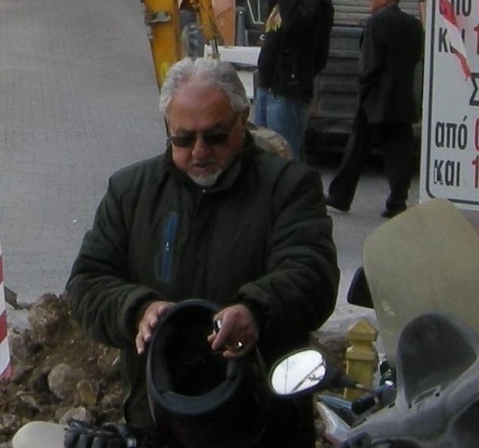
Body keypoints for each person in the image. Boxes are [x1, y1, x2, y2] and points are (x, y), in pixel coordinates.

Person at [67, 57, 339, 447]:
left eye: (215, 137)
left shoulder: (289, 187)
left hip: (262, 425)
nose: (199, 151)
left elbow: (312, 274)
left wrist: (253, 312)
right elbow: (87, 283)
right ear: (167, 129)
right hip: (159, 422)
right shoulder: (131, 192)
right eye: (183, 138)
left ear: (241, 121)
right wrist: (137, 311)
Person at [325, 0, 424, 218]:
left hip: (375, 99)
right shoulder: (413, 25)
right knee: (399, 153)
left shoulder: (376, 23)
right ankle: (397, 202)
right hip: (402, 99)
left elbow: (370, 63)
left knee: (356, 150)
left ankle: (340, 196)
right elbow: (416, 57)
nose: (369, 0)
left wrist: (363, 89)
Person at [251, 0, 333, 162]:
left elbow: (294, 25)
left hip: (288, 89)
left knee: (285, 152)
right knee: (260, 151)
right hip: (267, 86)